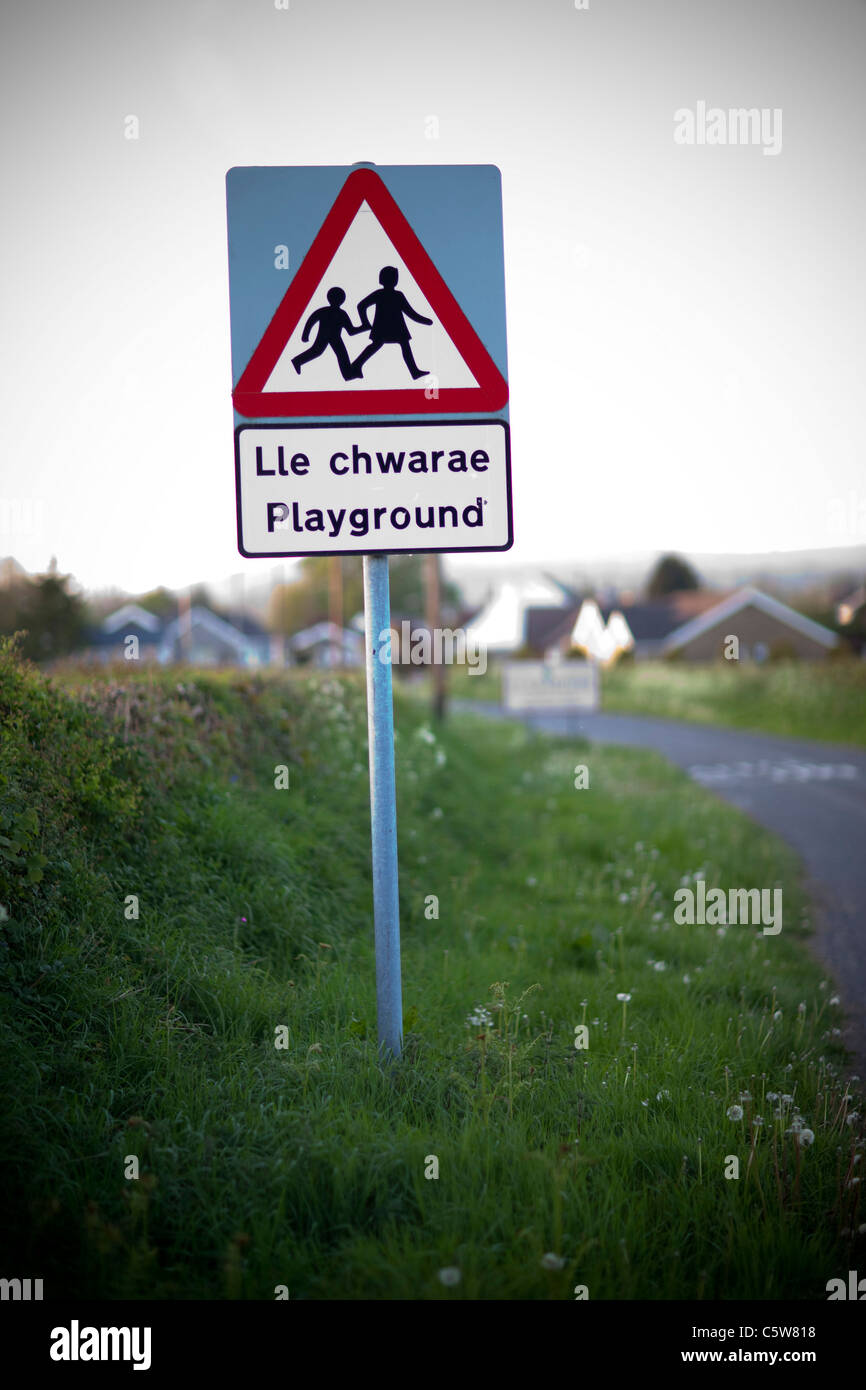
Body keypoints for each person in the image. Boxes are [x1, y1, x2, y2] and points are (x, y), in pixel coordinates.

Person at [349, 266, 432, 380]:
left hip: (393, 327)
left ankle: (414, 371)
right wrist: (365, 323)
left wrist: (425, 320)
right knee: (389, 345)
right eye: (394, 277)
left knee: (397, 345)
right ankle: (356, 365)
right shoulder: (386, 294)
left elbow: (410, 312)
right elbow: (361, 306)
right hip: (388, 327)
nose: (395, 279)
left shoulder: (396, 295)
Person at [292, 287, 365, 381]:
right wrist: (305, 334)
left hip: (334, 337)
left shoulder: (340, 313)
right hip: (325, 336)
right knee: (318, 351)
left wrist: (364, 328)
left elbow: (351, 331)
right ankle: (297, 361)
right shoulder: (330, 312)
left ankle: (347, 374)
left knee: (339, 354)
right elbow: (311, 320)